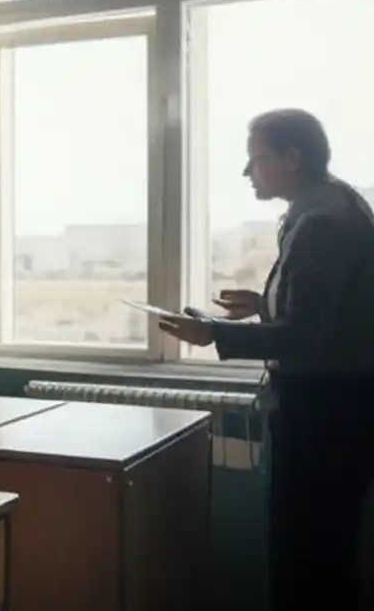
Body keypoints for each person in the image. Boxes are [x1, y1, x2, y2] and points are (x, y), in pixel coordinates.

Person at [157, 109, 374, 611]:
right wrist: (263, 304)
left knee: (308, 557)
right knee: (324, 553)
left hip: (326, 415)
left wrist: (212, 333)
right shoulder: (332, 205)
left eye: (257, 159)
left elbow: (307, 336)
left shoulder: (321, 223)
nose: (247, 171)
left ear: (292, 159)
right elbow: (329, 312)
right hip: (339, 409)